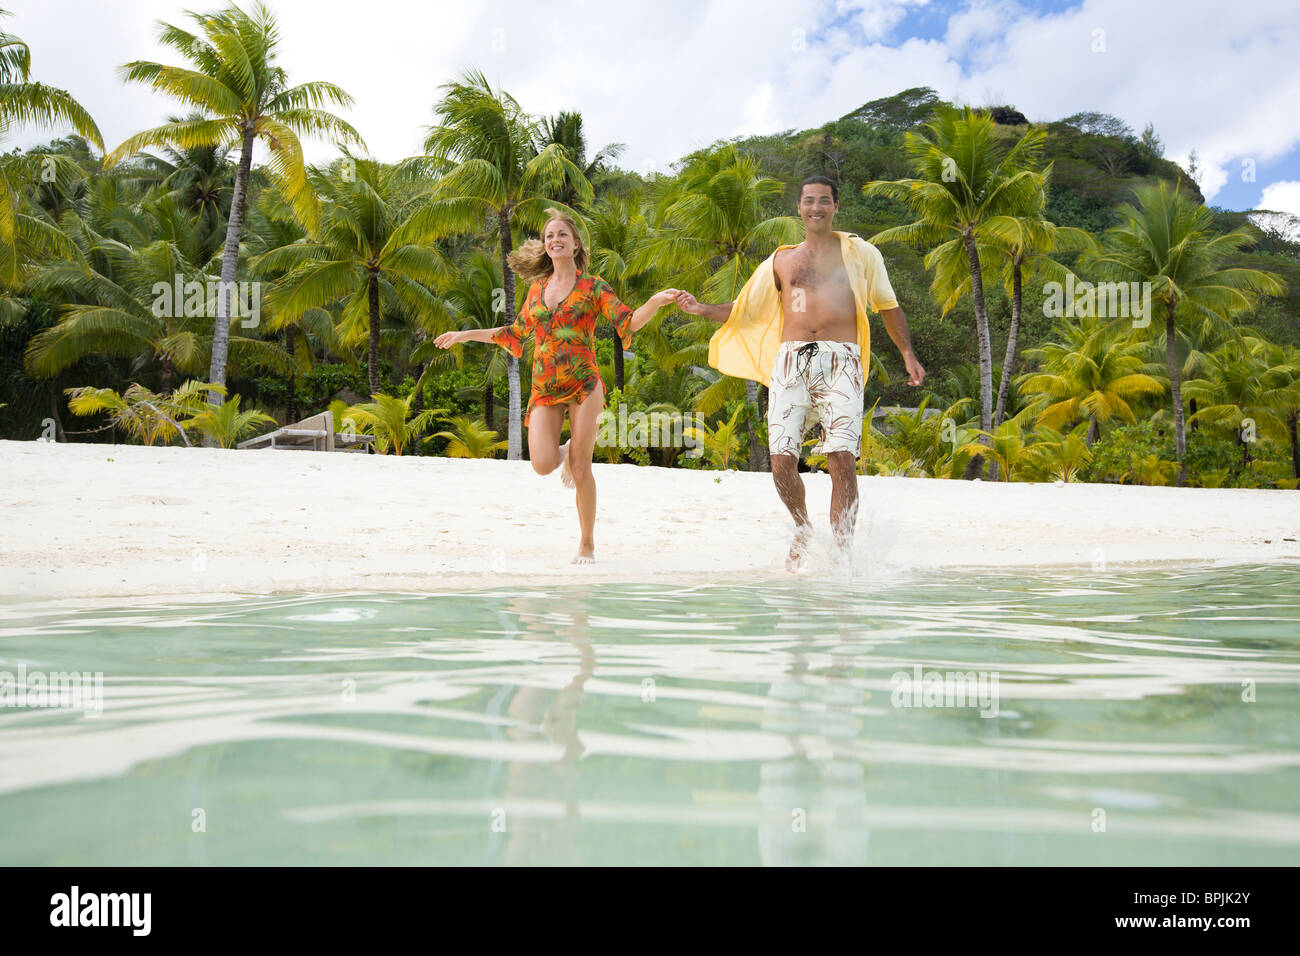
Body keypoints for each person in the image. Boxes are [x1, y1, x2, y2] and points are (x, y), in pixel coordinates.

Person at [674, 176, 926, 570]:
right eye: (809, 201)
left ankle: (841, 555)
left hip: (841, 361)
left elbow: (889, 306)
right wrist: (701, 308)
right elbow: (744, 310)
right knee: (781, 461)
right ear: (799, 208)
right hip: (790, 362)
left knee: (841, 457)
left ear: (836, 206)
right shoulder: (781, 261)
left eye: (824, 200)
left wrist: (907, 353)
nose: (816, 208)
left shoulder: (861, 254)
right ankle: (803, 527)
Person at [434, 208, 679, 564]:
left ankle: (587, 544)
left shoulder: (593, 287)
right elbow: (514, 334)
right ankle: (567, 448)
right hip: (545, 387)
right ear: (545, 245)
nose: (555, 240)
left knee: (580, 468)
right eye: (550, 236)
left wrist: (654, 301)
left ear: (576, 244)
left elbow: (628, 322)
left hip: (584, 384)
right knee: (543, 464)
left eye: (562, 234)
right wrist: (465, 334)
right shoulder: (537, 289)